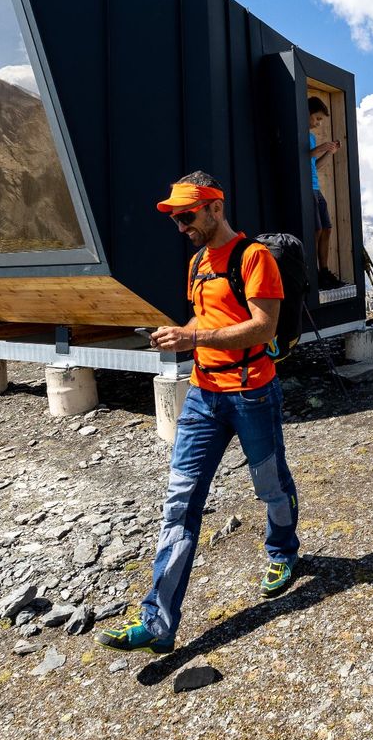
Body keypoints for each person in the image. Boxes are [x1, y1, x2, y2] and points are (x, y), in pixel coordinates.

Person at [98, 172, 300, 655]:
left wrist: (193, 337)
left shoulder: (254, 258)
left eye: (187, 215)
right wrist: (179, 334)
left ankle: (282, 552)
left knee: (270, 484)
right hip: (201, 395)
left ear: (215, 208)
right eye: (175, 217)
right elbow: (205, 320)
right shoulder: (196, 263)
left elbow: (263, 327)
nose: (180, 225)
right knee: (180, 501)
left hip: (252, 393)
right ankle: (157, 621)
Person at [307, 96, 344, 289]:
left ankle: (324, 270)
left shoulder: (311, 137)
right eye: (317, 118)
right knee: (316, 229)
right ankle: (312, 272)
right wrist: (319, 149)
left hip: (316, 188)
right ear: (307, 113)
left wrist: (329, 152)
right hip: (306, 189)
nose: (318, 123)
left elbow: (315, 165)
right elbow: (300, 157)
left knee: (327, 228)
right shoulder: (300, 134)